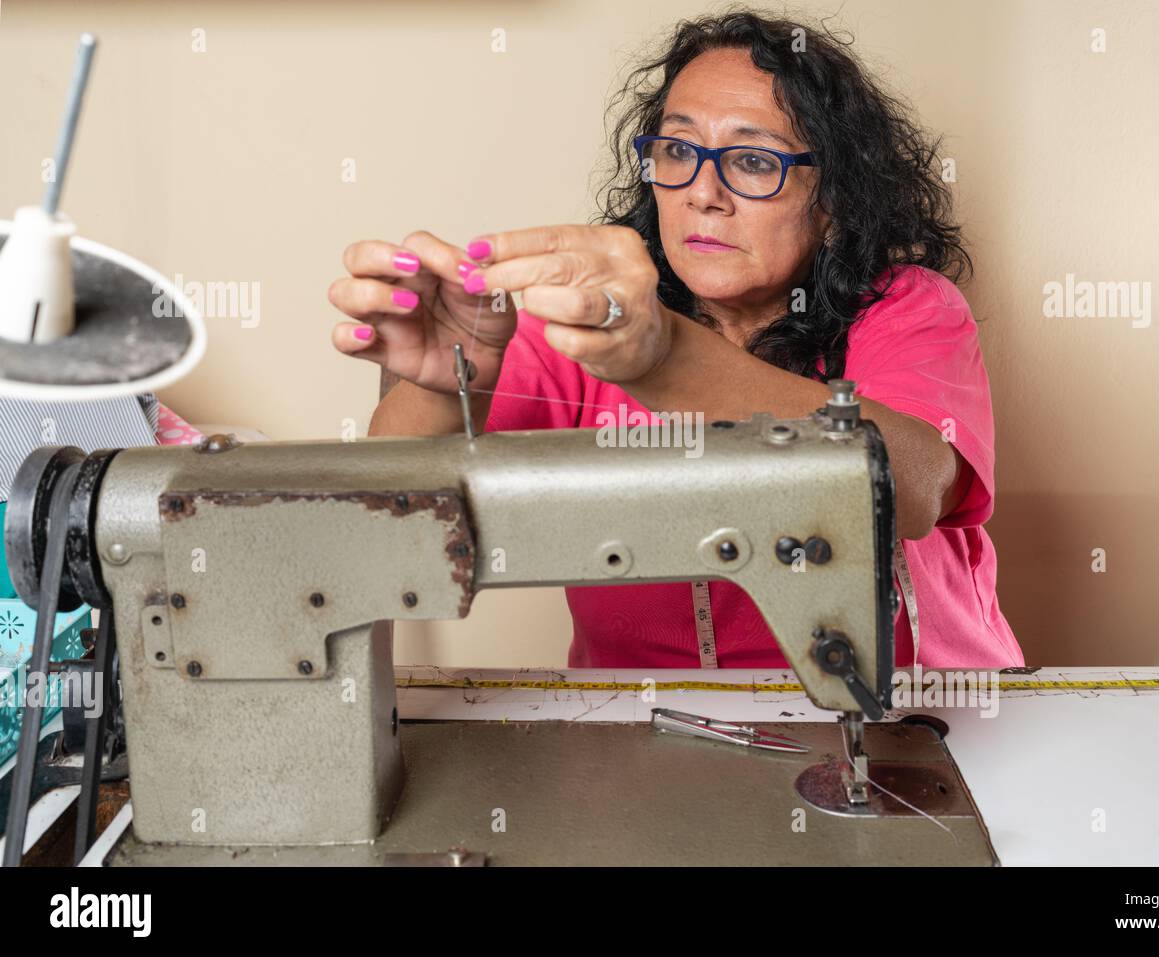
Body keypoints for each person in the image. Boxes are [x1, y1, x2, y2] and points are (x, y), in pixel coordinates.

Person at [326, 9, 1023, 671]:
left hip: (934, 716)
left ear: (835, 201)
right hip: (644, 730)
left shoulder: (907, 308)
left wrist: (662, 358)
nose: (702, 192)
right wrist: (442, 383)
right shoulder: (577, 329)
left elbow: (913, 488)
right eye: (678, 149)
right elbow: (395, 524)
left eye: (753, 161)